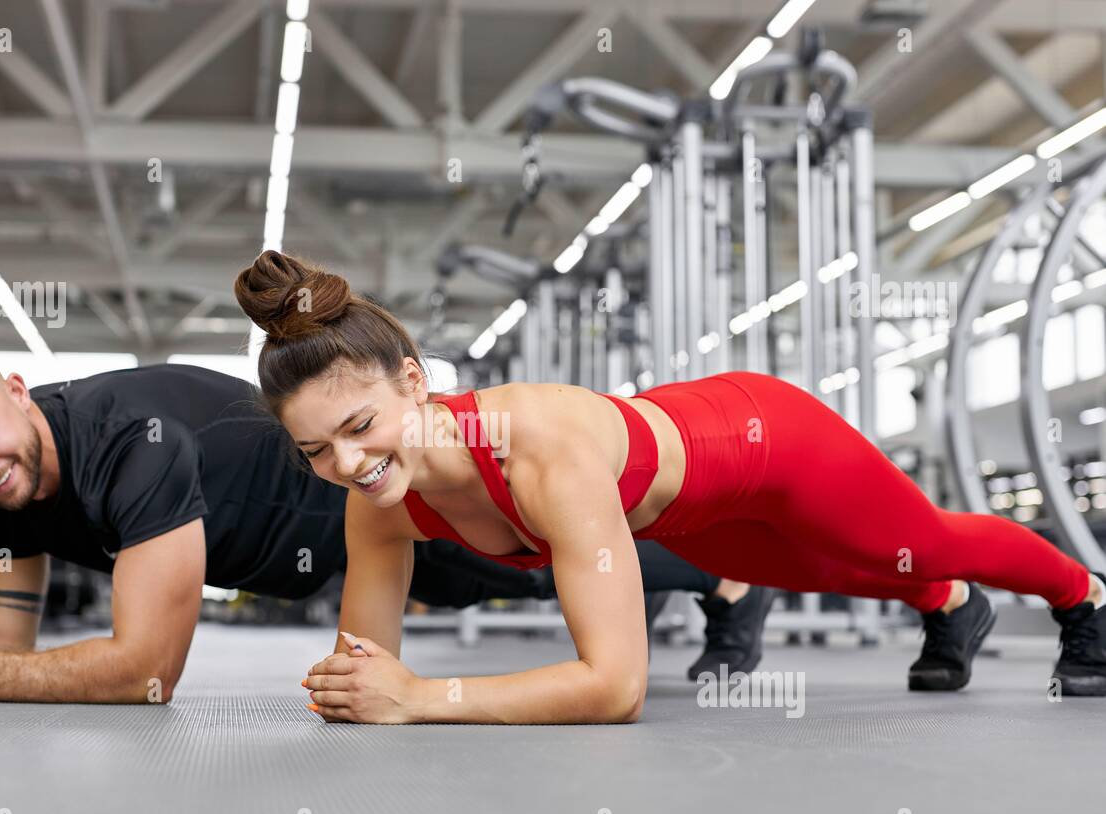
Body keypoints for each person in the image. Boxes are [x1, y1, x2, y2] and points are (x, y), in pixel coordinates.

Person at [229, 250, 1106, 725]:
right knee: (836, 573)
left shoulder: (540, 448)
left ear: (415, 383)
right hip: (690, 518)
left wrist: (424, 699)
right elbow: (361, 674)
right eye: (315, 450)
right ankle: (949, 605)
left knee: (917, 535)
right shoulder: (376, 501)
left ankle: (1083, 597)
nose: (347, 465)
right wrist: (362, 691)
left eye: (359, 429)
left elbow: (615, 689)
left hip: (767, 442)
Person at [0, 331, 764, 703]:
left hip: (347, 495)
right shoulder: (0, 489)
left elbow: (146, 674)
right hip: (302, 551)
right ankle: (713, 575)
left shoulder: (129, 442)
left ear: (14, 389)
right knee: (473, 585)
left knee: (521, 556)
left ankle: (726, 575)